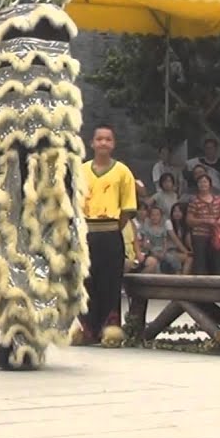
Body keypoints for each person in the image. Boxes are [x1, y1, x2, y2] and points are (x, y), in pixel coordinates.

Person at [77, 124, 137, 346]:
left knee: (110, 283)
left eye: (108, 139)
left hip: (111, 232)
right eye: (99, 139)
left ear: (113, 144)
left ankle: (110, 329)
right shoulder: (81, 171)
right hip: (85, 234)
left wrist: (112, 228)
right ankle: (87, 329)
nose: (103, 143)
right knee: (85, 282)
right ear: (92, 143)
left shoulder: (122, 172)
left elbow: (128, 209)